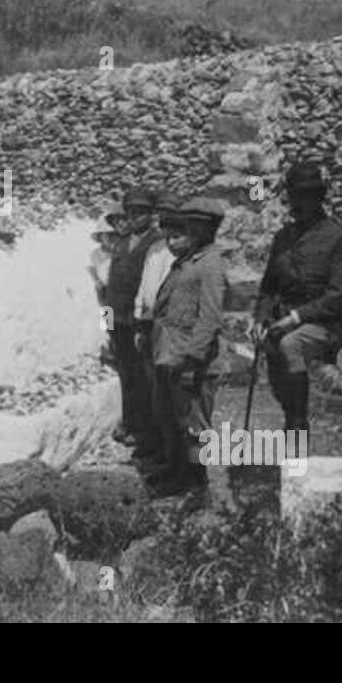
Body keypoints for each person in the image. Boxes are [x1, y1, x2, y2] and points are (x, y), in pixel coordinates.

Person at [249, 161, 342, 444]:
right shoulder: (283, 237)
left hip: (324, 324)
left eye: (306, 196)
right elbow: (268, 286)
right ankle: (291, 420)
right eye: (294, 196)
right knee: (274, 351)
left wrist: (295, 318)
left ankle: (298, 425)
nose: (298, 203)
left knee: (290, 345)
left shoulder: (340, 237)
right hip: (282, 321)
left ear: (318, 198)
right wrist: (260, 319)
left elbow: (338, 296)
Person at [147, 197, 228, 498]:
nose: (189, 229)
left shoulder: (209, 265)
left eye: (195, 225)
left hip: (192, 362)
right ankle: (176, 474)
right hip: (171, 354)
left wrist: (192, 359)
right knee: (172, 420)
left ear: (208, 229)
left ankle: (198, 486)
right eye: (188, 223)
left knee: (195, 428)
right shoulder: (187, 261)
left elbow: (210, 318)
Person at [104, 188, 163, 449]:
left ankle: (149, 433)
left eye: (141, 212)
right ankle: (131, 423)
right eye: (131, 212)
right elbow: (109, 288)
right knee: (127, 376)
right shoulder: (120, 243)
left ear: (151, 215)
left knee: (146, 378)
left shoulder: (157, 244)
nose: (135, 217)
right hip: (119, 322)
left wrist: (145, 323)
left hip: (140, 322)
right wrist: (106, 326)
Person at [130, 190, 181, 463]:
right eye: (161, 216)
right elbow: (144, 285)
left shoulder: (177, 250)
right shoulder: (153, 248)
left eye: (168, 216)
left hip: (165, 326)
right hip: (142, 323)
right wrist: (140, 319)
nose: (163, 221)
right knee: (149, 387)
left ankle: (170, 450)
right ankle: (154, 442)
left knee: (166, 391)